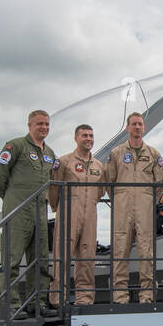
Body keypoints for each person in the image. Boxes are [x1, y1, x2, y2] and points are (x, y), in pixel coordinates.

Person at [0, 110, 59, 314]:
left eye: (46, 124)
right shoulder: (16, 146)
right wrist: (11, 198)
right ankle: (12, 306)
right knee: (12, 260)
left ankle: (36, 303)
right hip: (18, 210)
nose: (44, 127)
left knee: (40, 260)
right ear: (29, 125)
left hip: (40, 212)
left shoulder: (50, 154)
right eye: (39, 124)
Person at [104, 111, 163, 304]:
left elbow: (159, 183)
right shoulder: (116, 153)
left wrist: (147, 200)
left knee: (147, 253)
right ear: (128, 128)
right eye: (134, 124)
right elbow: (109, 181)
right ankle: (119, 296)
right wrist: (120, 200)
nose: (137, 127)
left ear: (143, 127)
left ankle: (147, 296)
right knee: (120, 251)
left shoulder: (154, 154)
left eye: (140, 124)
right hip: (122, 210)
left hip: (145, 209)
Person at [49, 124, 104, 306]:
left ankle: (85, 298)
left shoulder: (98, 165)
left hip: (90, 214)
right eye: (84, 135)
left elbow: (100, 191)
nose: (88, 138)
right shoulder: (64, 162)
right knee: (63, 256)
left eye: (91, 135)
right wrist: (60, 209)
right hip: (68, 213)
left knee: (87, 258)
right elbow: (54, 188)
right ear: (76, 138)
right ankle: (59, 297)